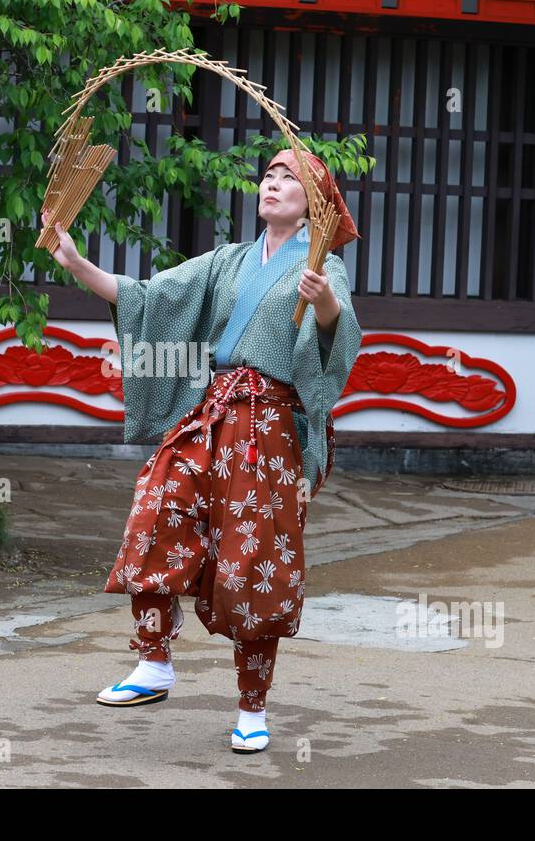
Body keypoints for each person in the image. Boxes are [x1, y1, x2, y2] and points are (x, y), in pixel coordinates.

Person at [47, 147, 362, 753]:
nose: (271, 185)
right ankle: (153, 659)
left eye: (288, 179)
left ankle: (252, 707)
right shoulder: (229, 261)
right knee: (156, 508)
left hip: (269, 430)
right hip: (212, 415)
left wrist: (322, 298)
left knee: (253, 559)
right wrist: (77, 262)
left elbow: (337, 329)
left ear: (315, 206)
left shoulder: (325, 266)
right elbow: (148, 299)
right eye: (268, 176)